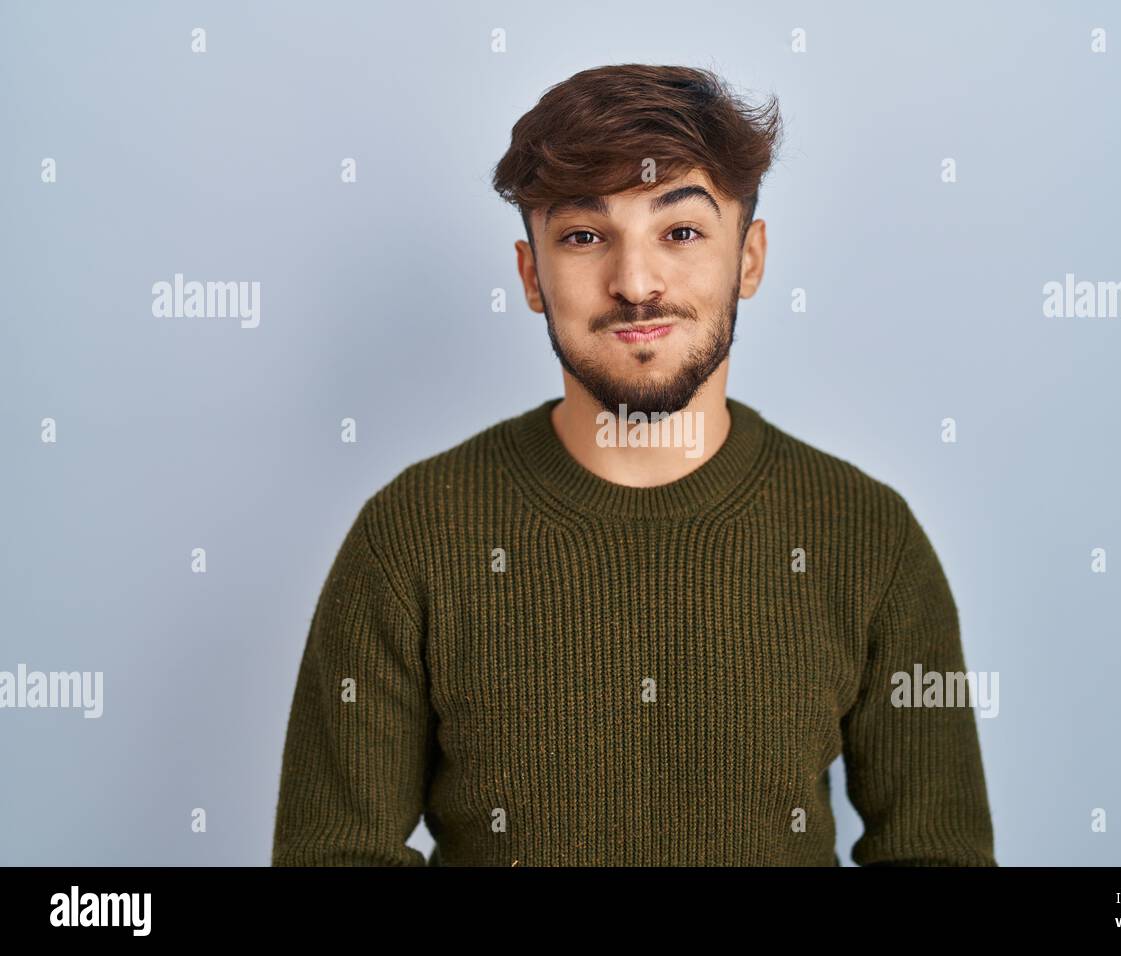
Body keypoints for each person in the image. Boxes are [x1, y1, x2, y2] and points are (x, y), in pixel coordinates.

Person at [271, 63, 996, 866]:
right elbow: (330, 854)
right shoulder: (411, 533)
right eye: (584, 237)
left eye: (680, 232)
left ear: (749, 259)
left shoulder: (869, 535)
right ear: (531, 276)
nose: (636, 284)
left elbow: (941, 852)